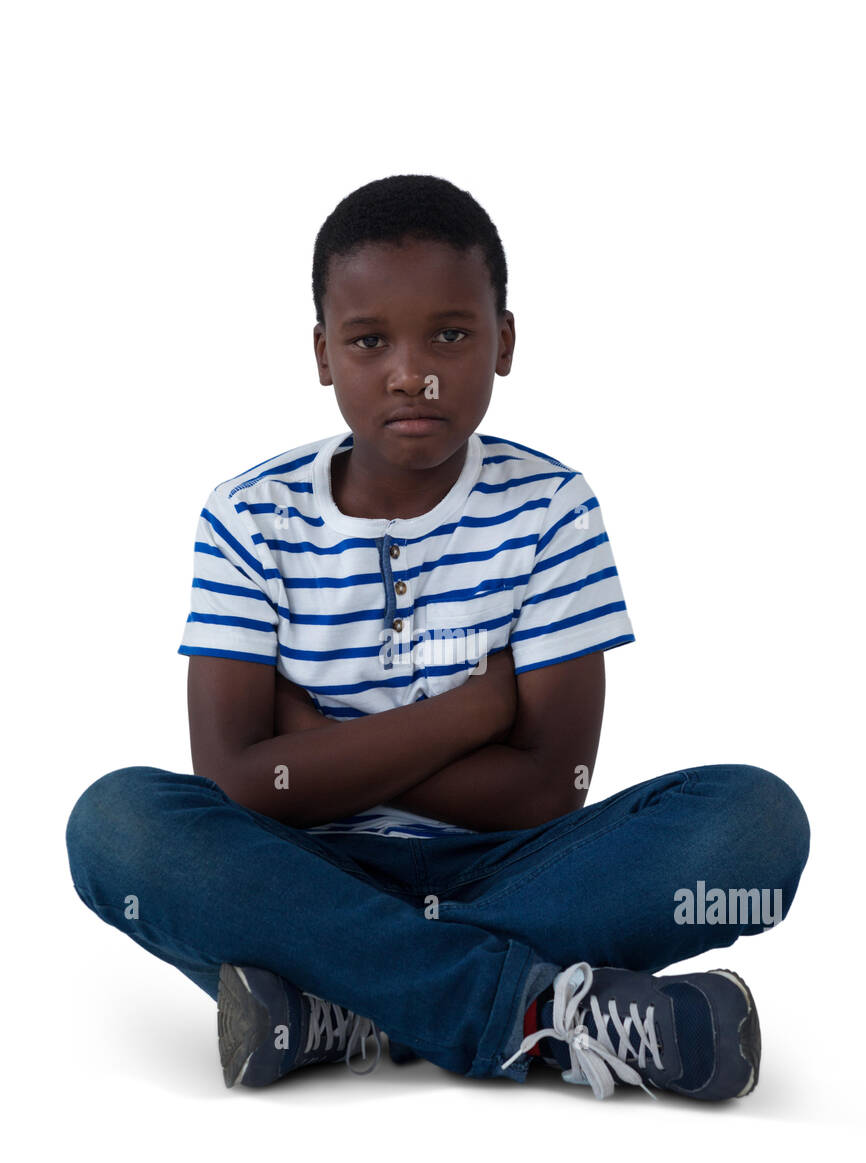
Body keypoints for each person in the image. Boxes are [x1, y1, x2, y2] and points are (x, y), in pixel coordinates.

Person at [65, 174, 810, 1102]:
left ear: (504, 342)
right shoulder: (249, 517)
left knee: (753, 822)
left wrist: (311, 745)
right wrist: (477, 711)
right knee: (117, 825)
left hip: (508, 870)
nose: (410, 371)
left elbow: (548, 789)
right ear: (322, 354)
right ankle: (535, 1014)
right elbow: (233, 787)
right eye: (369, 340)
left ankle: (346, 1007)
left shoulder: (552, 509)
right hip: (305, 869)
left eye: (450, 335)